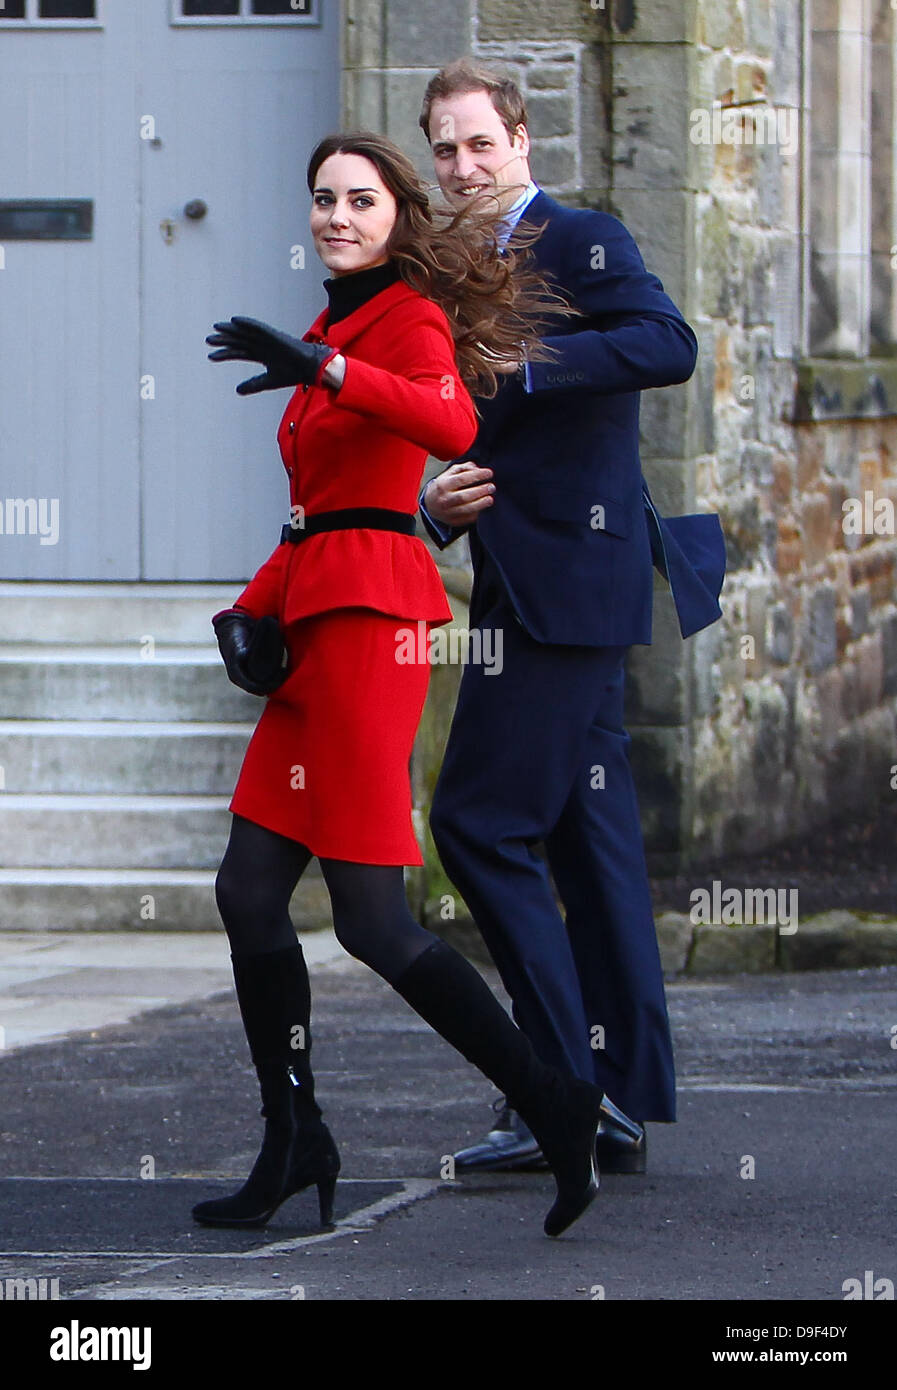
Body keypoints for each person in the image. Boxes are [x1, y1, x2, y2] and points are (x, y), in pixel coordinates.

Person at [192, 130, 606, 1239]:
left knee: (375, 918)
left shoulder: (403, 322)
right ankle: (295, 1135)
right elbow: (325, 508)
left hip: (372, 626)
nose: (336, 214)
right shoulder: (331, 324)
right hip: (315, 604)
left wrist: (327, 368)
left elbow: (451, 424)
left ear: (396, 215)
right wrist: (248, 605)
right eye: (322, 198)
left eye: (360, 199)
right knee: (245, 894)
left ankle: (562, 1104)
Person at [417, 60, 723, 1177]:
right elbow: (456, 421)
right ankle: (622, 1100)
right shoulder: (452, 267)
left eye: (479, 145)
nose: (462, 167)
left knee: (476, 826)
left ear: (521, 140)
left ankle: (560, 1092)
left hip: (576, 581)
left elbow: (668, 344)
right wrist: (433, 502)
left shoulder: (581, 236)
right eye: (444, 150)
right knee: (593, 851)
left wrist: (530, 362)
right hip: (520, 577)